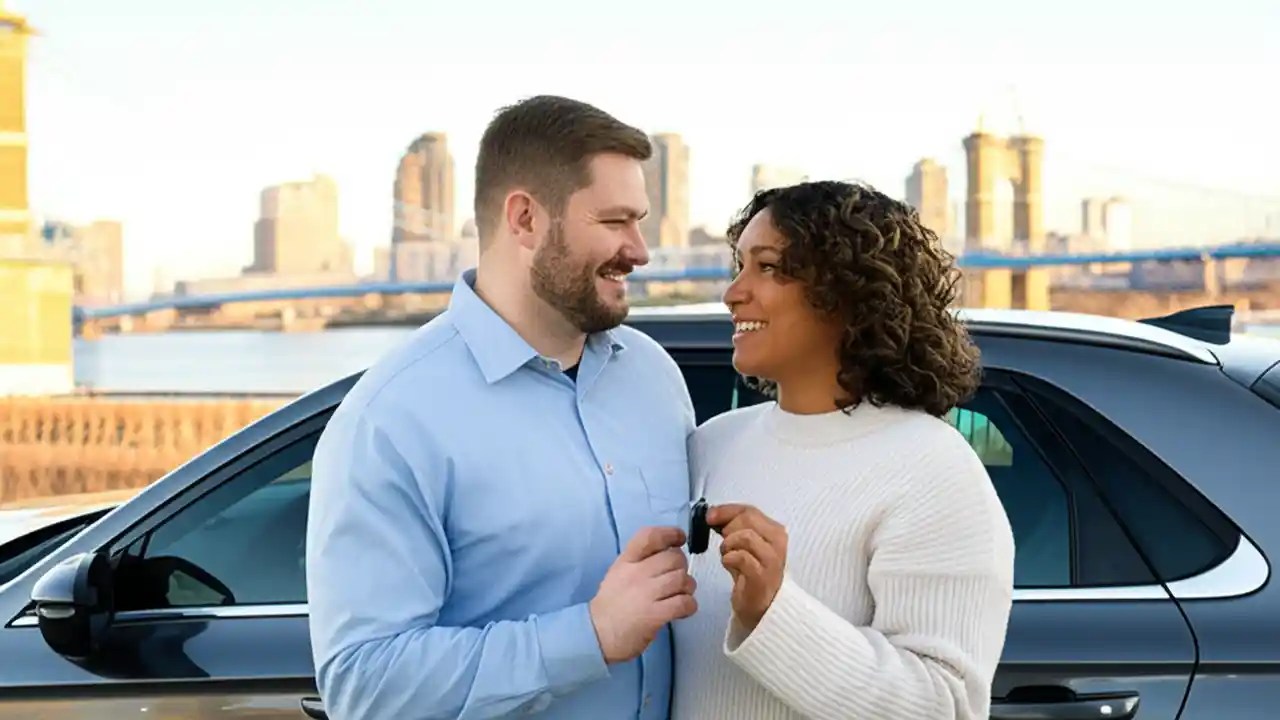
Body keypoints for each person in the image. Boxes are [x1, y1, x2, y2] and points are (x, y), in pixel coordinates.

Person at [305, 95, 699, 720]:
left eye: (641, 220)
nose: (641, 250)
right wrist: (588, 637)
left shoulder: (653, 376)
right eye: (616, 221)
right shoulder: (390, 420)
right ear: (525, 219)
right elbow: (364, 684)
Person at [671, 180, 1016, 719]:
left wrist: (773, 612)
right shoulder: (715, 443)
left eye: (767, 267)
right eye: (738, 266)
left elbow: (944, 706)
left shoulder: (934, 470)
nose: (733, 293)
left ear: (848, 292)